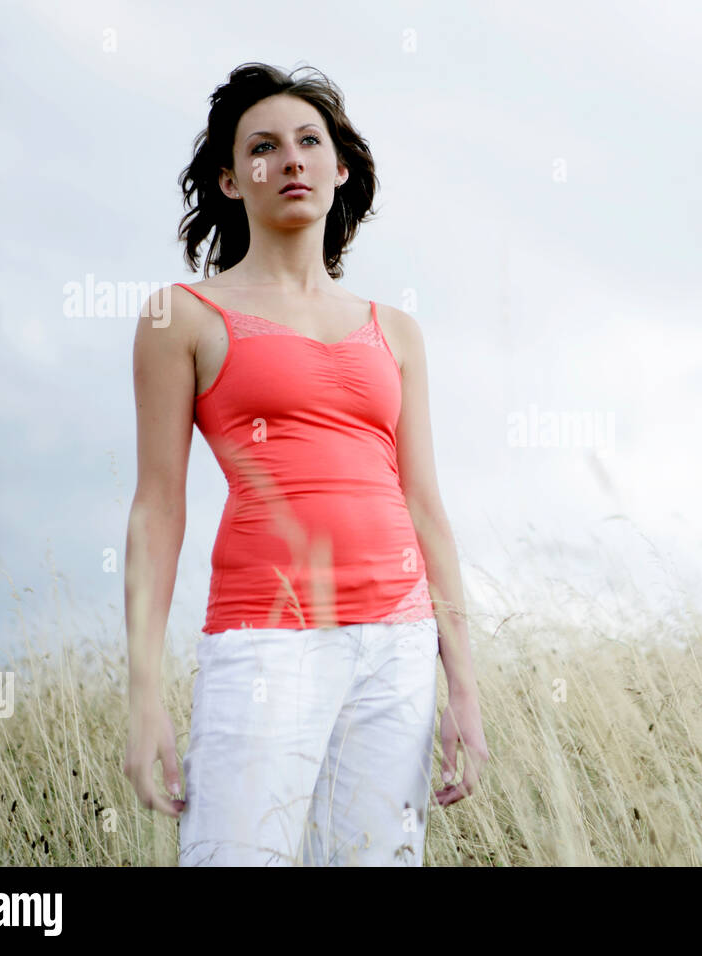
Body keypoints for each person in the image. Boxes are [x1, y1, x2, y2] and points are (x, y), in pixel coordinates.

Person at [121, 62, 489, 865]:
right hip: (264, 643)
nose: (291, 159)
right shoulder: (181, 314)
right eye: (264, 146)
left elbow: (425, 506)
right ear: (230, 178)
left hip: (396, 648)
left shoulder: (395, 330)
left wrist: (460, 685)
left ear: (339, 168)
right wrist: (143, 693)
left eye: (309, 141)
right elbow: (158, 509)